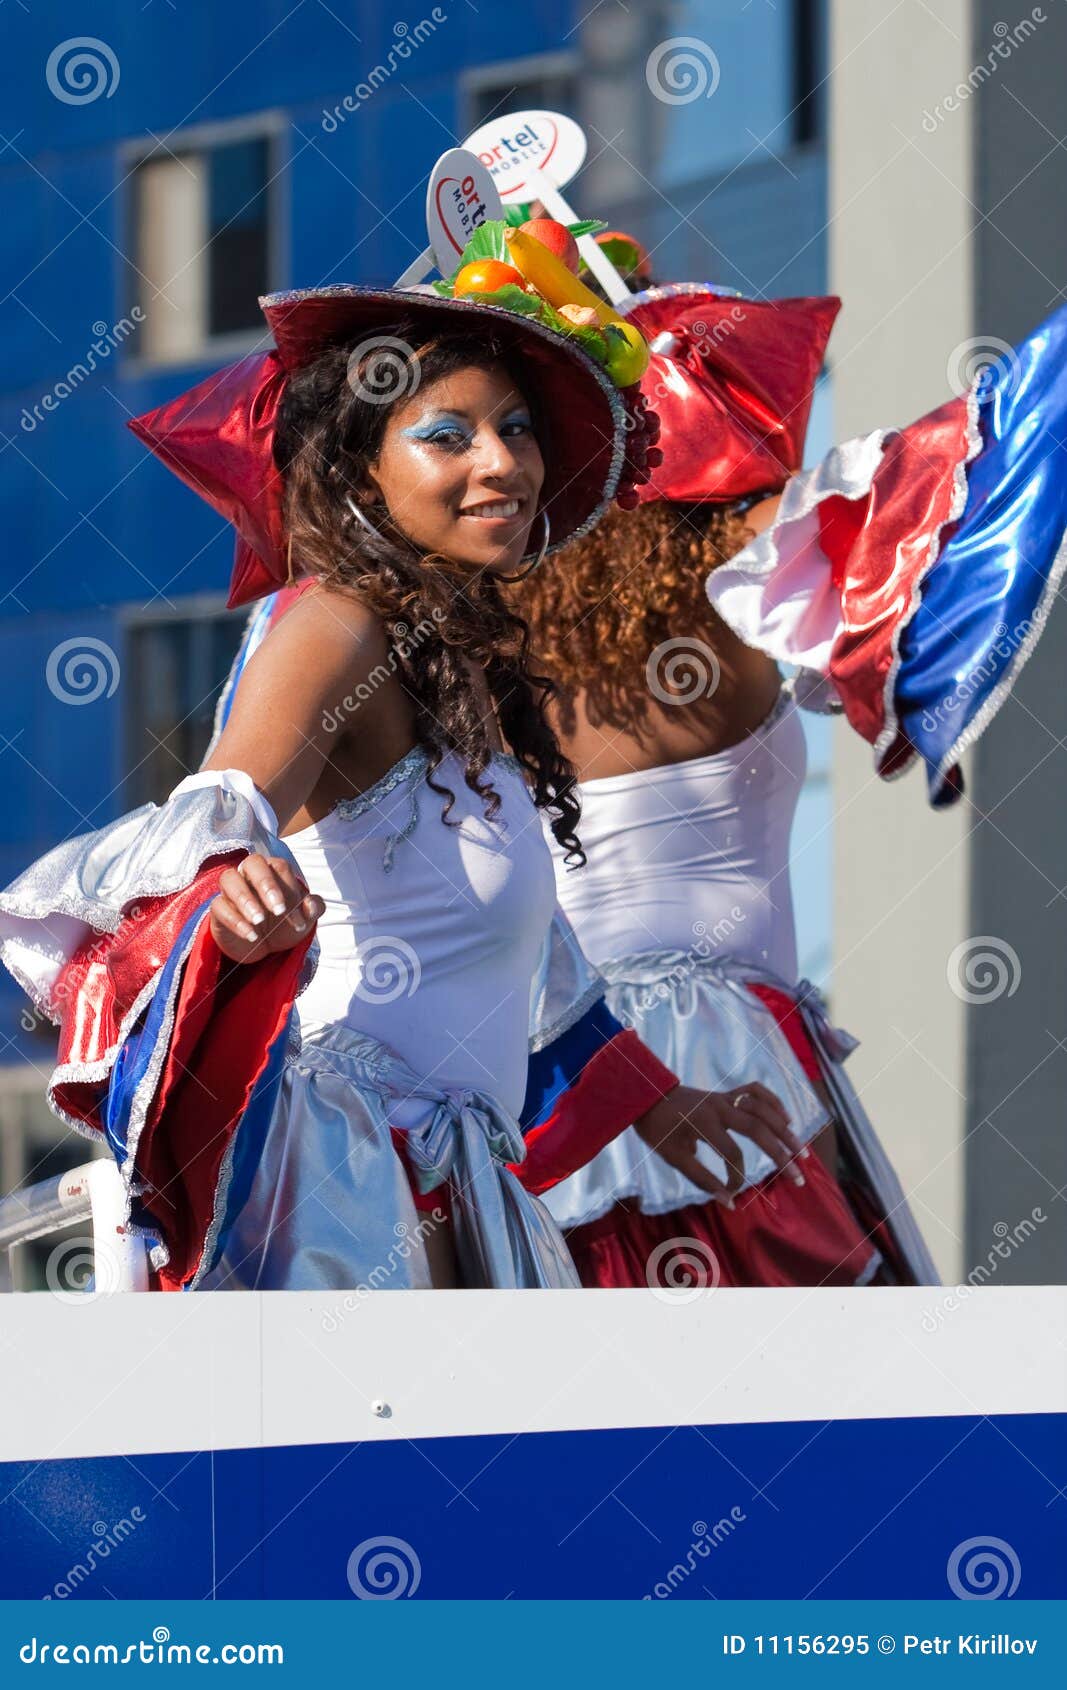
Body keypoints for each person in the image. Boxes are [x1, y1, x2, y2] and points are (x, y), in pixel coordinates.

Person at [0, 263, 799, 1293]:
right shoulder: (337, 621)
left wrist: (654, 1102)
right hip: (345, 1187)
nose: (500, 461)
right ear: (360, 472)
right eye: (447, 435)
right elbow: (221, 803)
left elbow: (515, 946)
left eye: (516, 428)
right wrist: (226, 885)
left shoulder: (460, 665)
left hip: (445, 1177)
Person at [513, 259, 1067, 1289]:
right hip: (715, 1048)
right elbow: (953, 473)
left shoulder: (481, 621)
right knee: (820, 1365)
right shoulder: (744, 557)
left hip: (554, 1068)